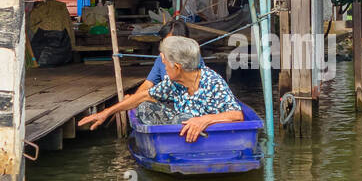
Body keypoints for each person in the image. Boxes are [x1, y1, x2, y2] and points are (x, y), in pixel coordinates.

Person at [79, 35, 242, 142]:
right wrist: (105, 113)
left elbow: (237, 115)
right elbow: (143, 96)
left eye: (165, 63)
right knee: (144, 107)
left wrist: (204, 120)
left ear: (177, 67)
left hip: (212, 137)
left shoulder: (212, 81)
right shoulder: (174, 82)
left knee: (181, 118)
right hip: (184, 128)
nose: (163, 65)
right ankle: (167, 143)